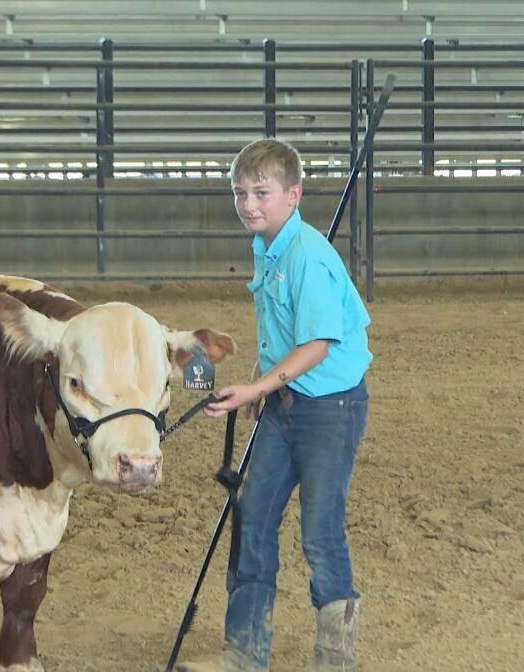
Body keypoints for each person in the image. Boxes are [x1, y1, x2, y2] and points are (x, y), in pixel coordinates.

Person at [180, 138, 372, 672]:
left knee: (321, 529)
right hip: (284, 401)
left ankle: (336, 659)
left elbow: (317, 344)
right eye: (240, 193)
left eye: (261, 193)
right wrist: (263, 384)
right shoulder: (266, 244)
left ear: (294, 195)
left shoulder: (309, 256)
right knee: (252, 516)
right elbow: (279, 327)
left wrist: (258, 389)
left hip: (330, 407)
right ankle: (244, 652)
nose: (249, 205)